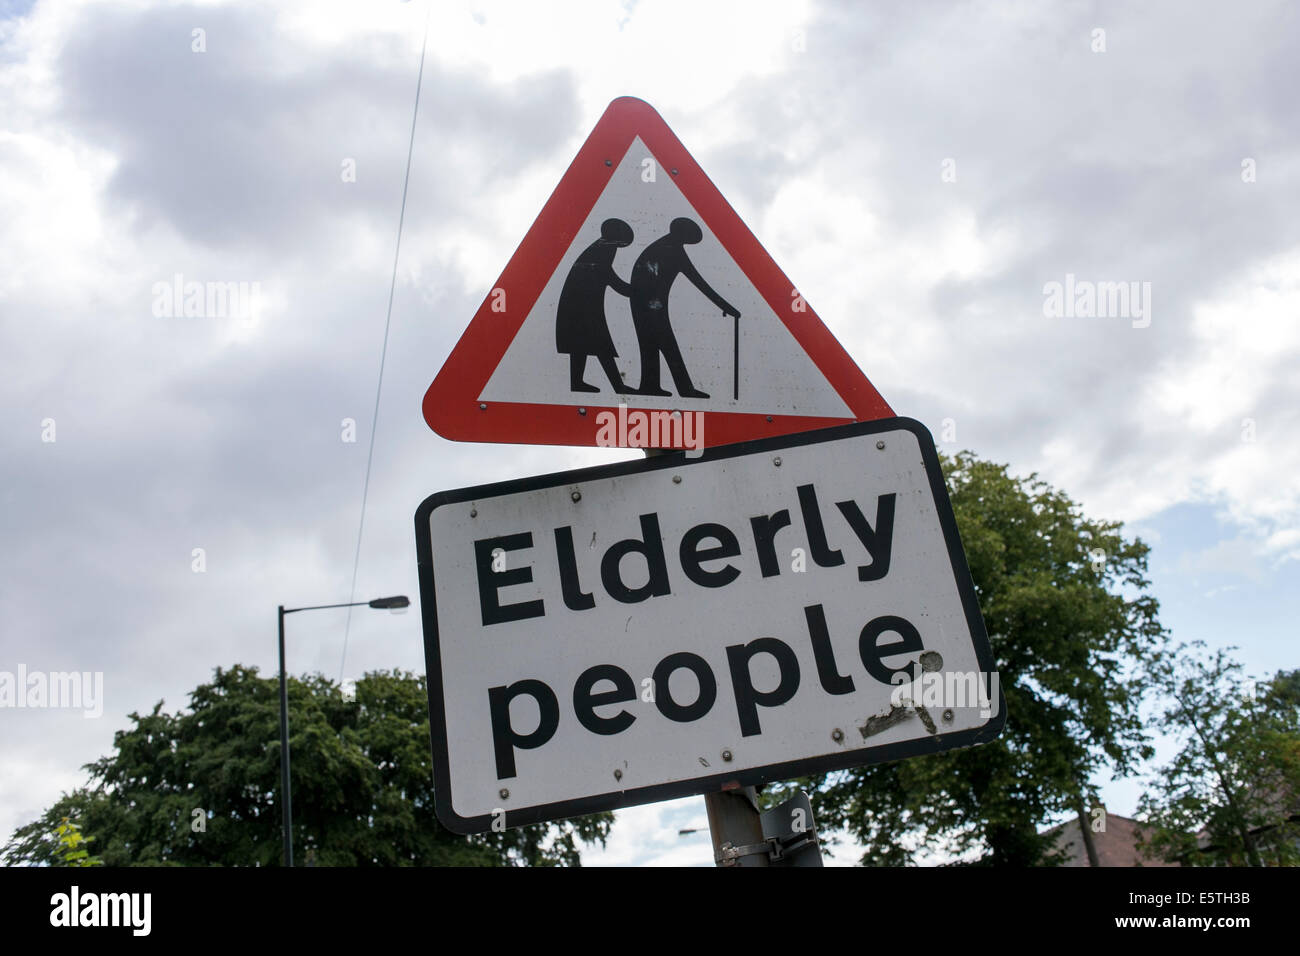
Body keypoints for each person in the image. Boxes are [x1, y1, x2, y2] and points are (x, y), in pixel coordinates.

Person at [627, 217, 739, 398]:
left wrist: (727, 307)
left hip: (645, 304)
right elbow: (699, 282)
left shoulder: (665, 246)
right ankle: (683, 389)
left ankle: (650, 385)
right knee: (666, 345)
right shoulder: (673, 250)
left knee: (650, 344)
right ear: (683, 233)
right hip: (651, 306)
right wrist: (727, 307)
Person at [555, 218, 634, 393]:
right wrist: (635, 291)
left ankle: (578, 382)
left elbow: (607, 275)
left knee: (580, 343)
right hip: (583, 305)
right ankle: (618, 386)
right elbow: (609, 276)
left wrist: (630, 290)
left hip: (581, 303)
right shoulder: (604, 248)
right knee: (600, 343)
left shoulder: (601, 246)